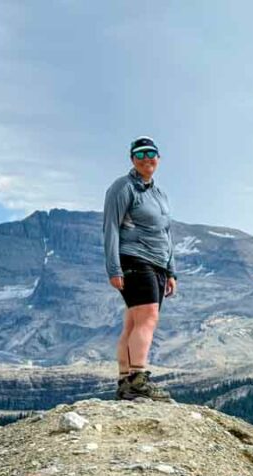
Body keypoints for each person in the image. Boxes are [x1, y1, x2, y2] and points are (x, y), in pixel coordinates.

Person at [103, 136, 177, 401]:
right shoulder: (123, 188)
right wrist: (114, 268)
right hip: (134, 260)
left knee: (133, 322)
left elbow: (167, 232)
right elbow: (110, 227)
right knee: (148, 319)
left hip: (157, 264)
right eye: (141, 154)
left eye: (152, 153)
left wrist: (171, 271)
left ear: (158, 157)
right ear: (133, 159)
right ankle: (138, 379)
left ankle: (125, 382)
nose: (147, 159)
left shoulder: (159, 194)